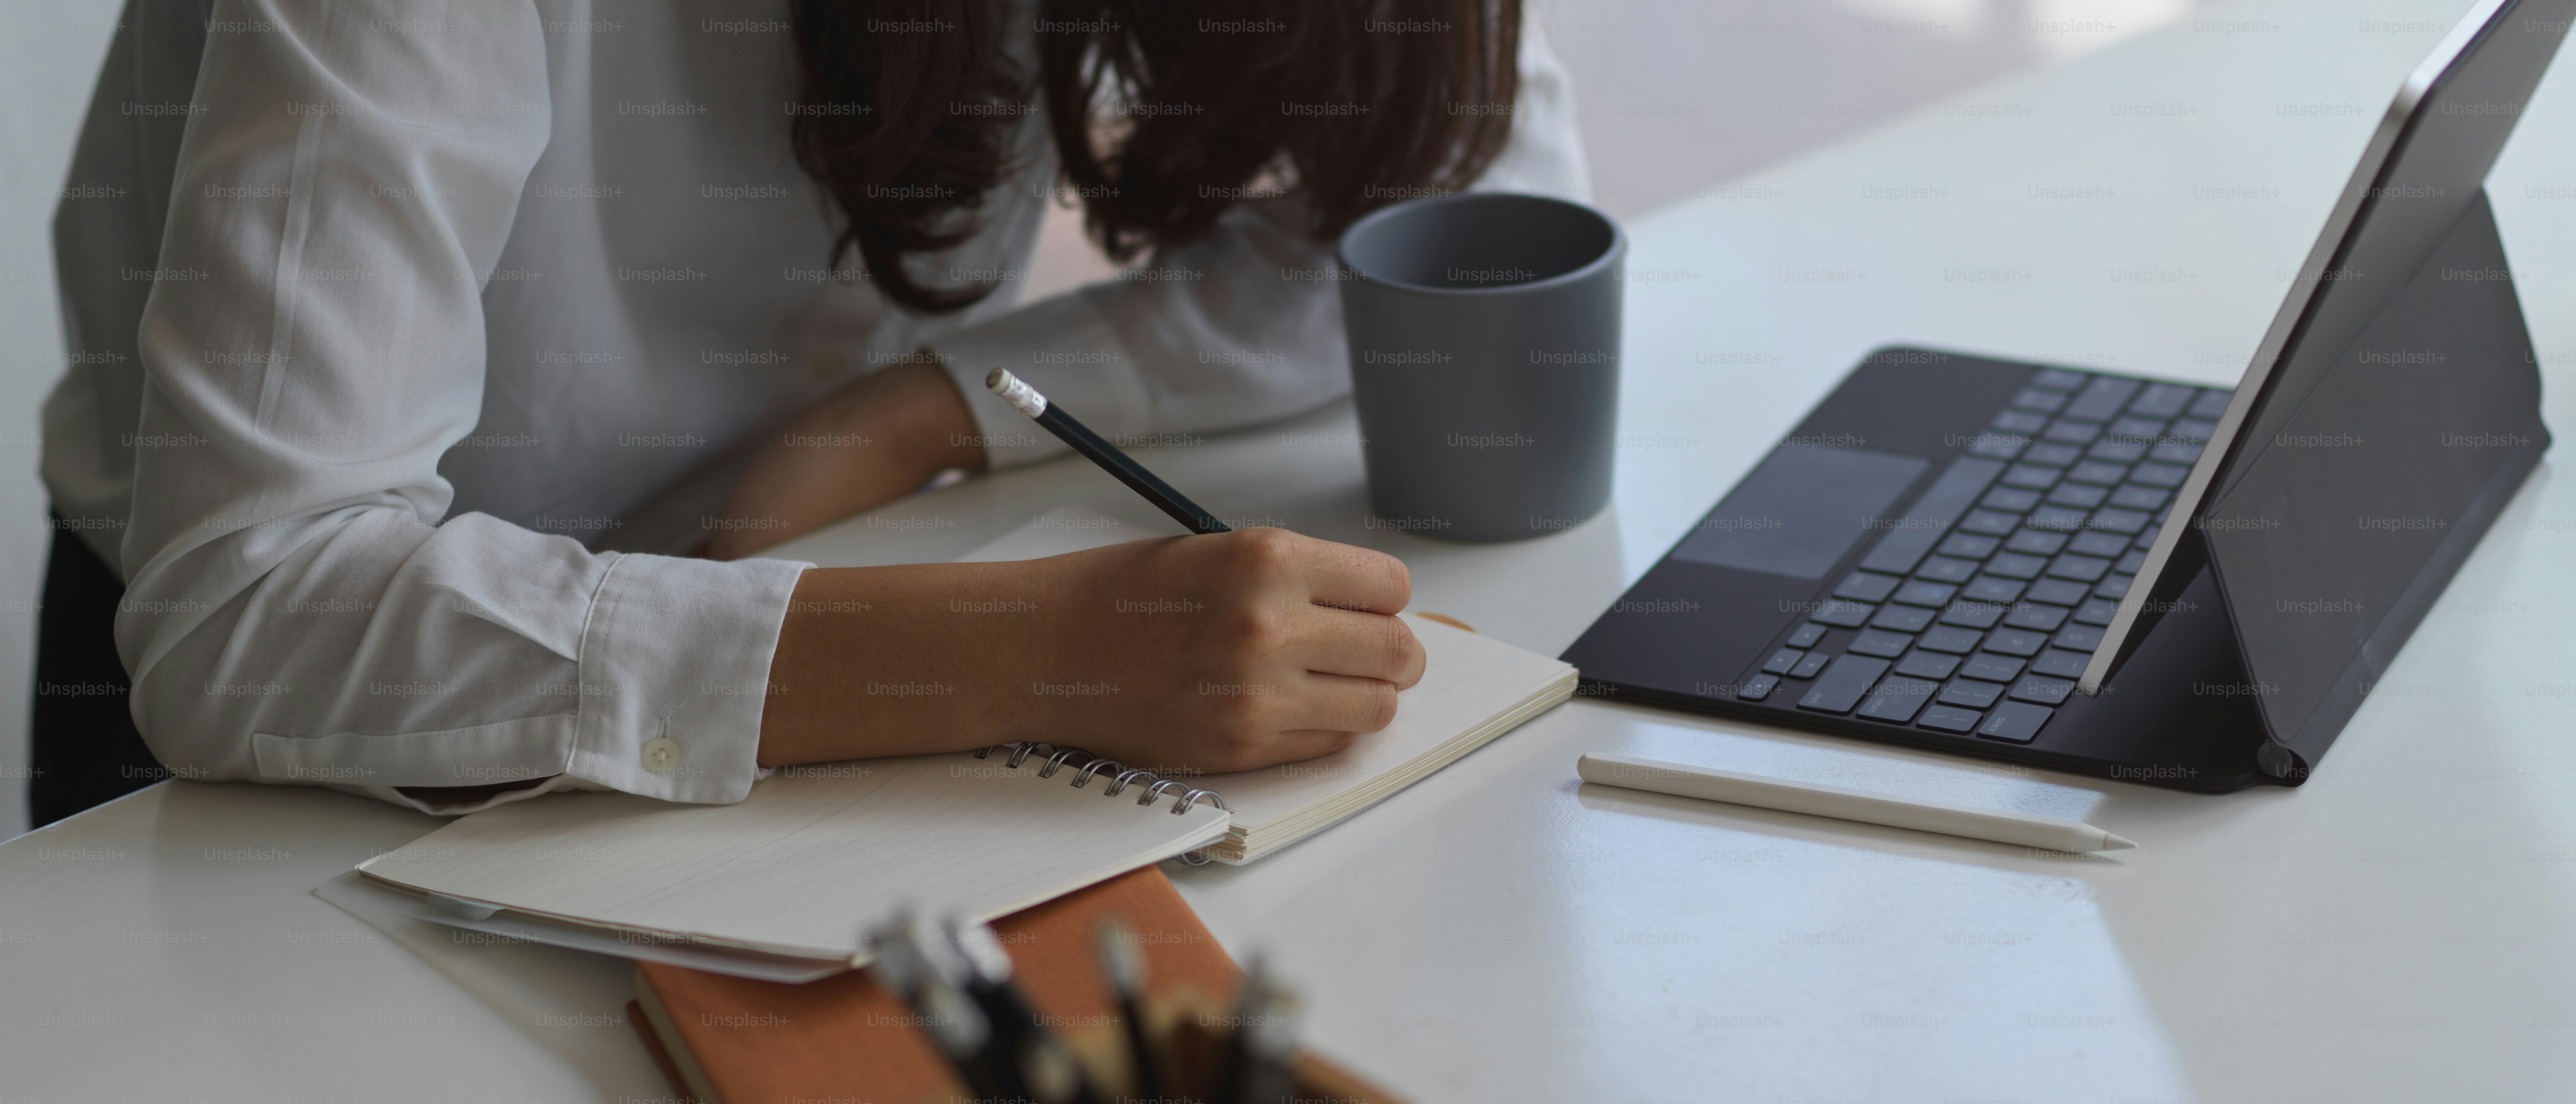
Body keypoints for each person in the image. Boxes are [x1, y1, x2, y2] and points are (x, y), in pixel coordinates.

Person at [32, 0, 1589, 826]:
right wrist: (1034, 648)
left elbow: (1469, 190)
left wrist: (904, 418)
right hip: (289, 747)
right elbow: (256, 604)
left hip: (834, 595)